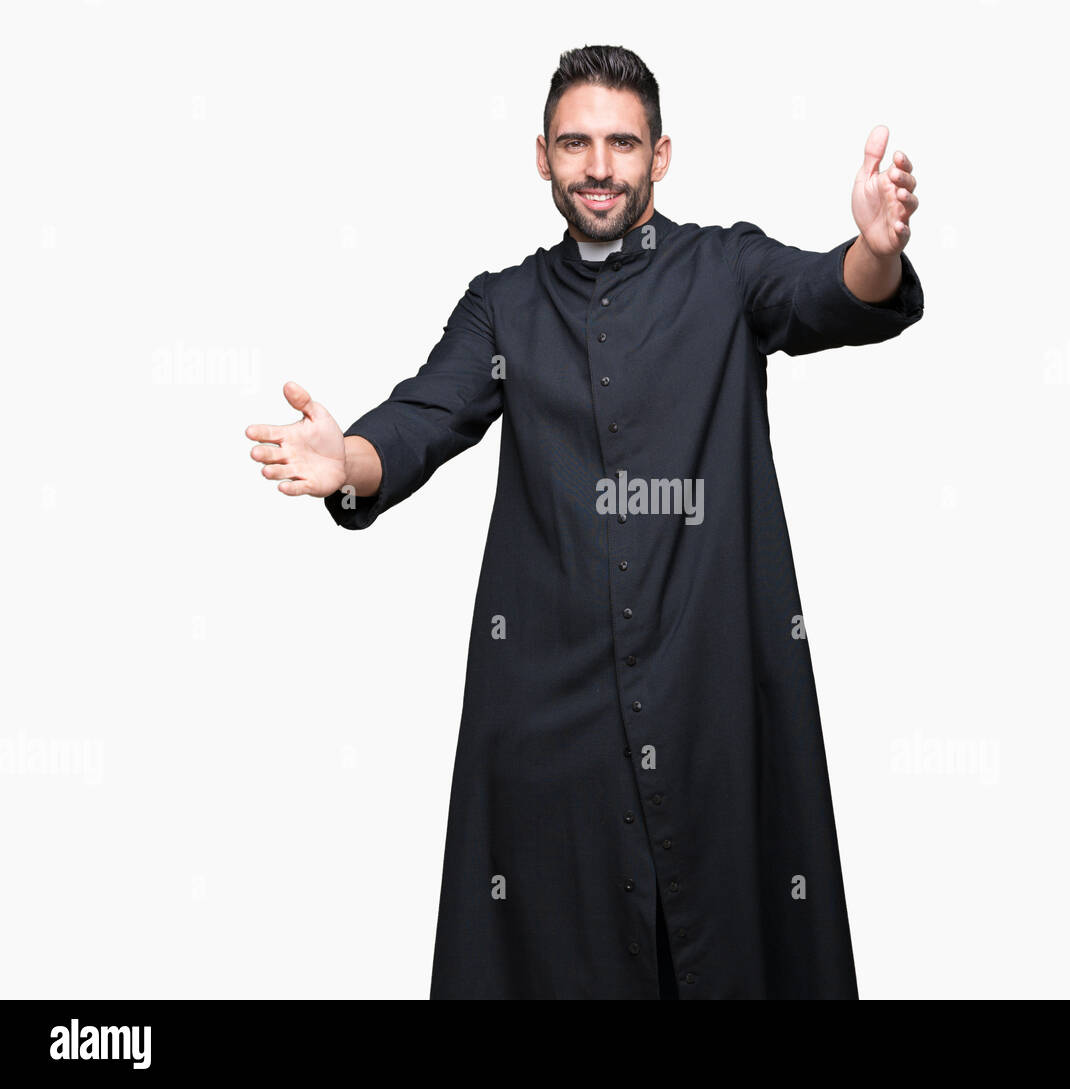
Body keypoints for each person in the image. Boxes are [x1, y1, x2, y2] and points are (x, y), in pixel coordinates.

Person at [245, 44, 923, 999]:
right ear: (541, 156)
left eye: (621, 143)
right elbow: (426, 414)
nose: (598, 166)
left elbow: (827, 291)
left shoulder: (727, 271)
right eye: (576, 143)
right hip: (550, 727)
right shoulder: (502, 305)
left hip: (713, 703)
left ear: (662, 154)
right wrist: (347, 459)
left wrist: (876, 252)